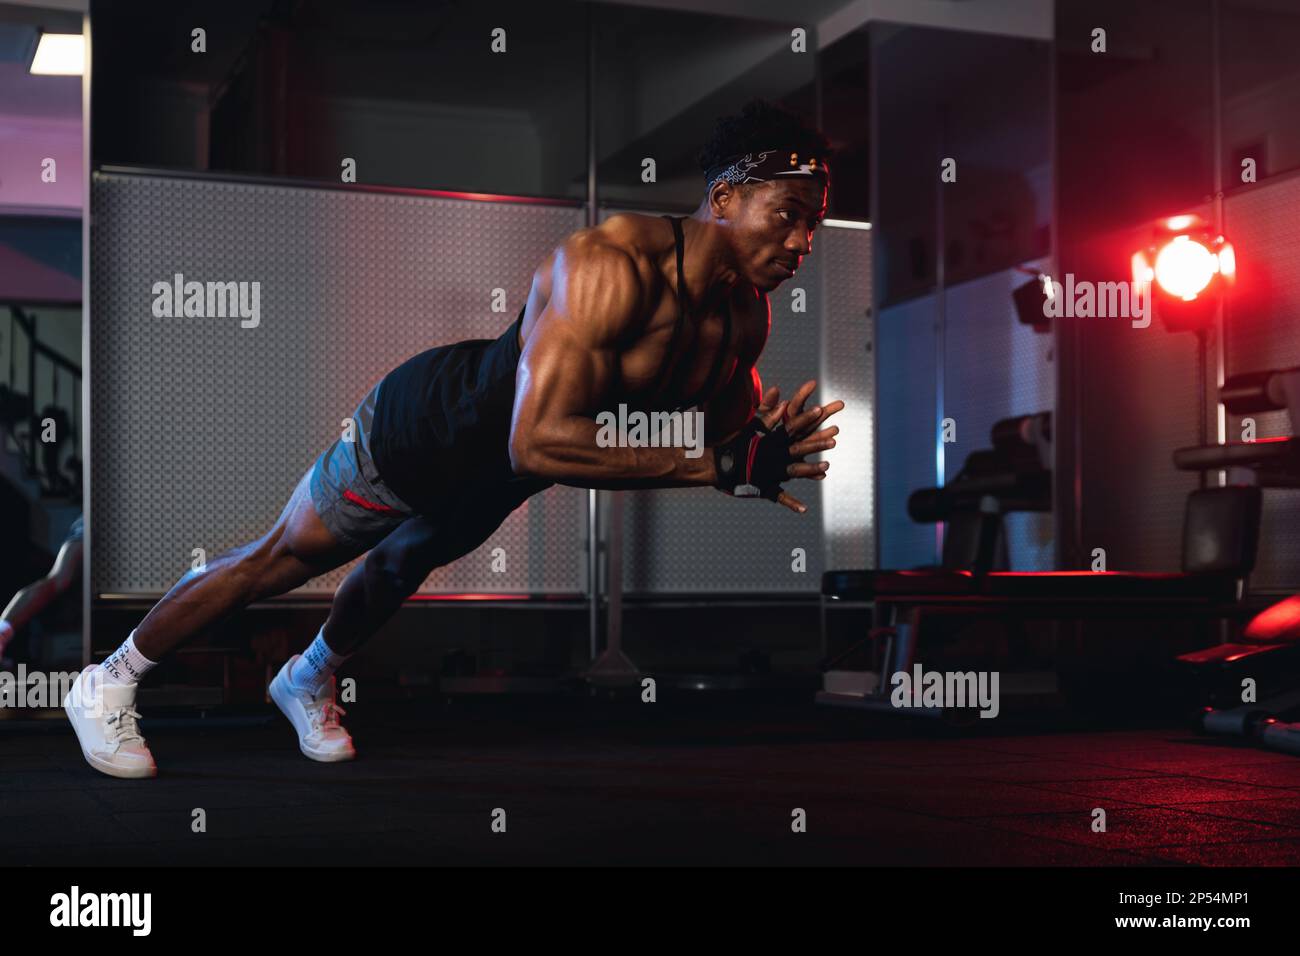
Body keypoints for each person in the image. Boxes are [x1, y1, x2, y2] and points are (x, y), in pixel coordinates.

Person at [64, 99, 846, 779]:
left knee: (401, 565)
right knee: (280, 561)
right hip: (426, 429)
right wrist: (712, 466)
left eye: (812, 224)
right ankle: (108, 679)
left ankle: (306, 678)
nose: (803, 241)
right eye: (787, 214)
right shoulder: (607, 266)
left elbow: (719, 426)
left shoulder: (745, 316)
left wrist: (757, 450)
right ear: (725, 196)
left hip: (496, 473)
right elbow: (539, 443)